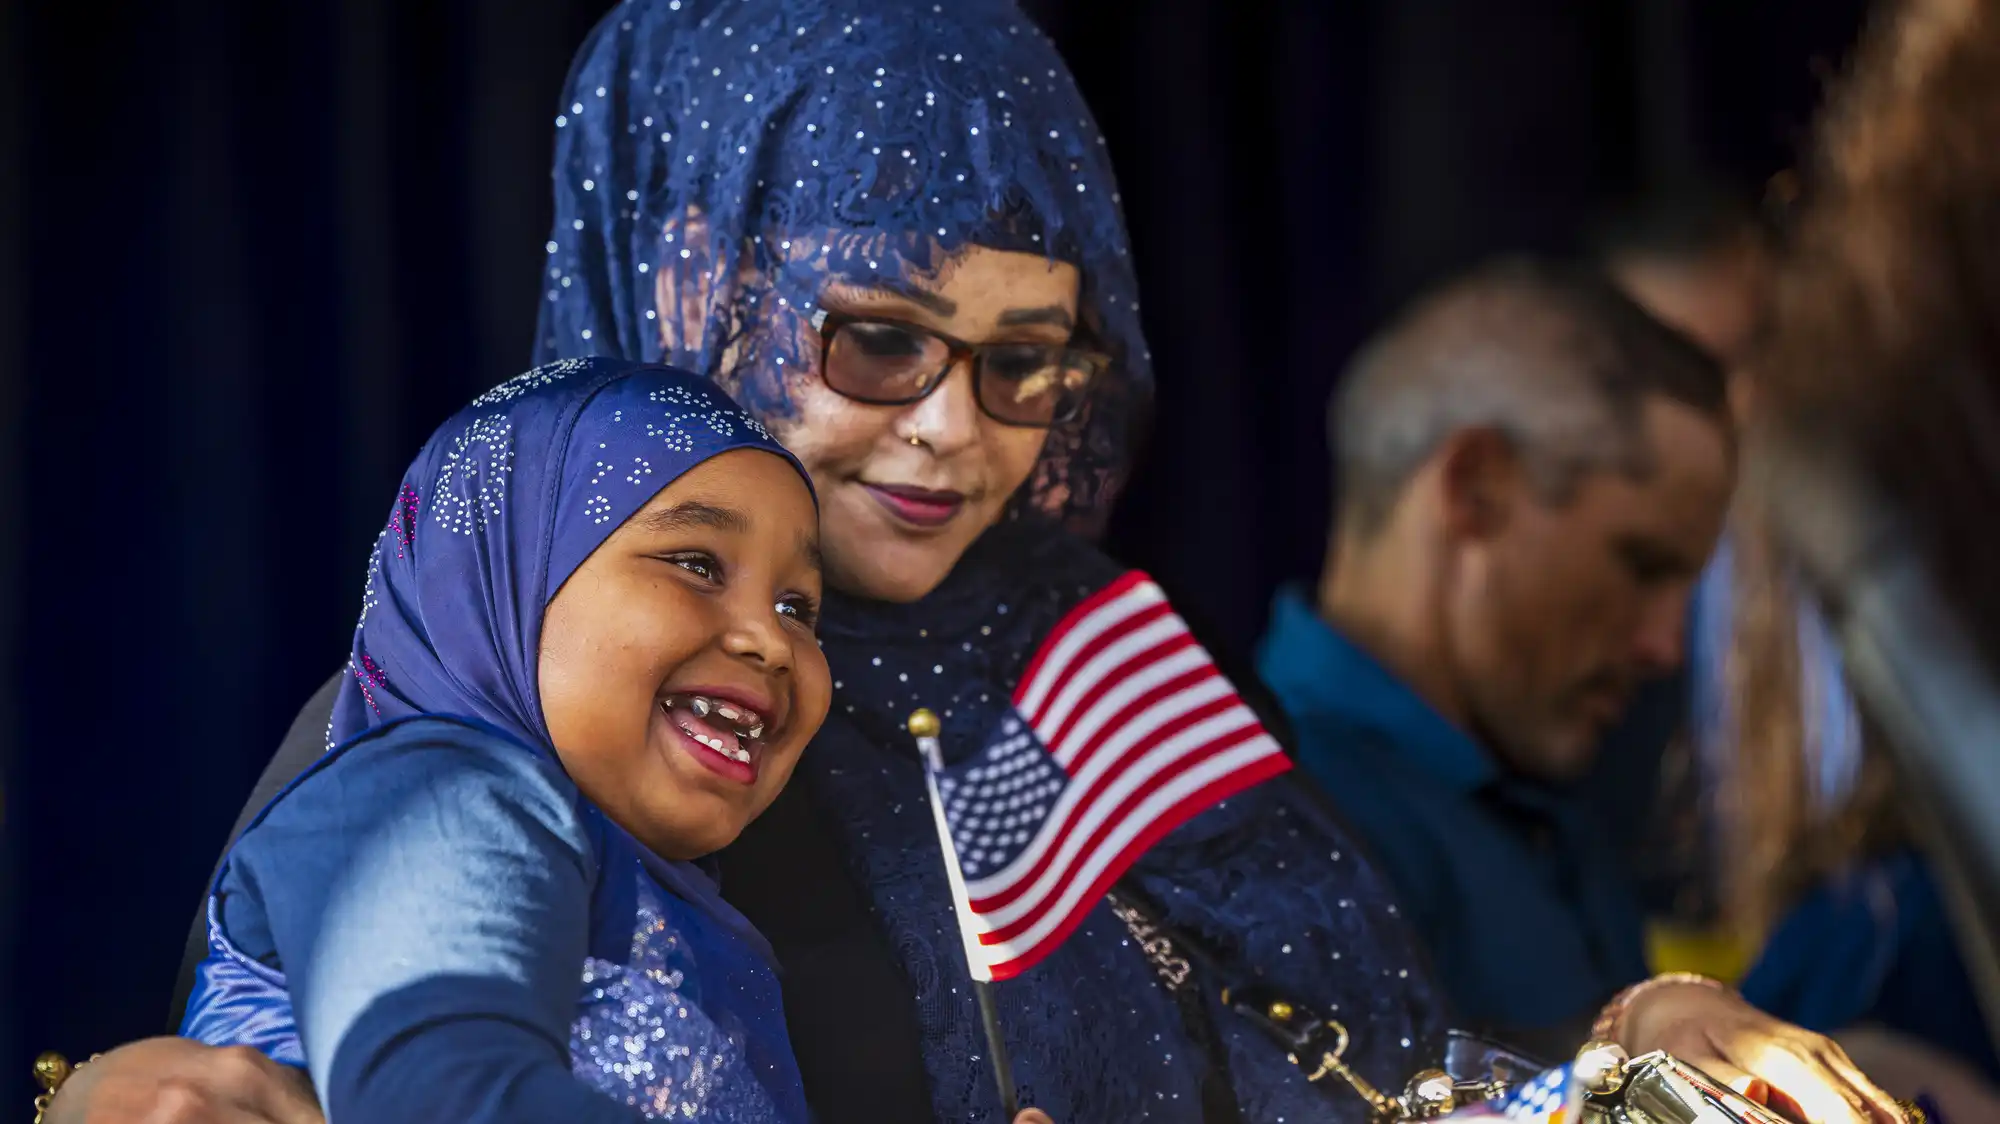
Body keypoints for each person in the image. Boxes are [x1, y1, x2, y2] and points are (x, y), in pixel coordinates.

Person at [45, 2, 1904, 1122]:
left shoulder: (1067, 655)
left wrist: (1631, 1047)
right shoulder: (476, 727)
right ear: (695, 279)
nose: (958, 433)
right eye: (875, 340)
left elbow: (1351, 1077)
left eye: (1028, 361)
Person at [180, 360, 830, 1121]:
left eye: (799, 606)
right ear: (497, 578)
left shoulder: (666, 906)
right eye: (695, 563)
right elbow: (449, 1100)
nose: (772, 641)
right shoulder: (441, 793)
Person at [1257, 259, 1734, 1058]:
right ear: (1475, 488)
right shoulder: (1262, 834)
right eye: (1642, 565)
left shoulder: (1540, 798)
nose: (1664, 646)